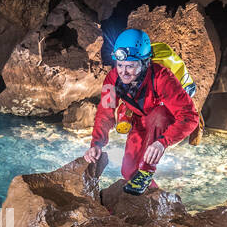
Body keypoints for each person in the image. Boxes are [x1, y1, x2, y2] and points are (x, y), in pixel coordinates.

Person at [84, 28, 200, 194]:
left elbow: (189, 116)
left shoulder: (162, 77)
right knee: (129, 173)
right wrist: (96, 143)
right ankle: (157, 201)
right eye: (120, 65)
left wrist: (162, 142)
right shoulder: (112, 78)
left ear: (145, 63)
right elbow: (105, 112)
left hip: (166, 120)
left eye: (130, 66)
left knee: (157, 116)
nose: (123, 72)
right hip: (140, 117)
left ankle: (147, 171)